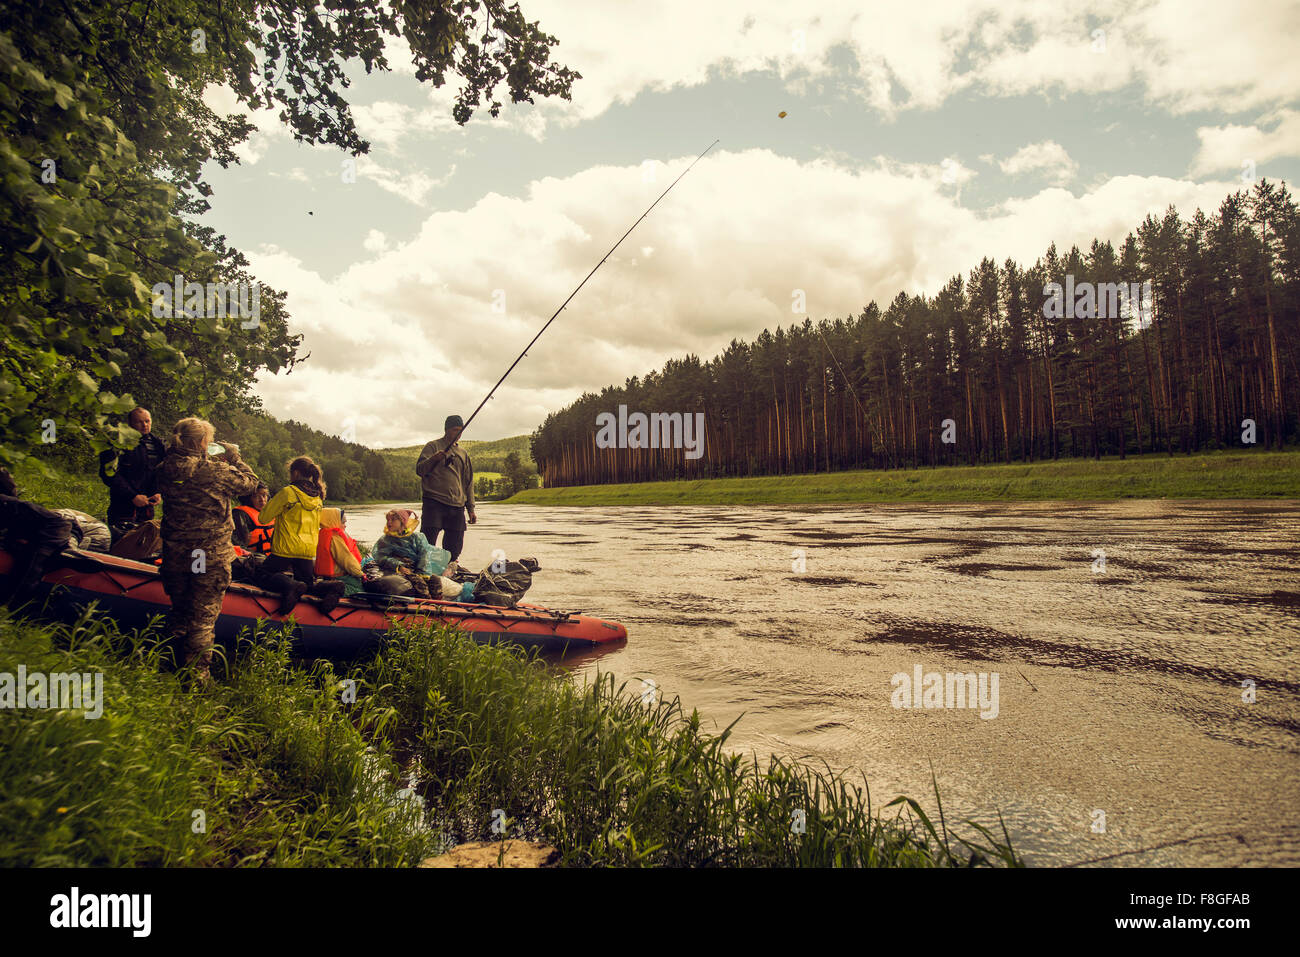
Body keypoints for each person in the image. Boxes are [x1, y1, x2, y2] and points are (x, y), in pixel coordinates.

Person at [156, 418, 260, 683]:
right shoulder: (212, 470)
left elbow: (174, 468)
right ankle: (196, 677)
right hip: (207, 554)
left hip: (175, 552)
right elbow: (250, 484)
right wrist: (234, 457)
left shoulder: (164, 468)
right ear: (200, 442)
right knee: (203, 616)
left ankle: (170, 666)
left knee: (180, 611)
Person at [258, 456, 342, 614]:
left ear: (295, 473)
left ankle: (291, 586)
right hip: (307, 551)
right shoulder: (317, 497)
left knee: (263, 574)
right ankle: (332, 587)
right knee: (308, 586)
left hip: (286, 548)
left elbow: (263, 518)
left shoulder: (287, 492)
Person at [0, 467, 73, 609]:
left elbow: (10, 492)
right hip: (22, 522)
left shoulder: (6, 502)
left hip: (53, 527)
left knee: (31, 563)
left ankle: (15, 606)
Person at [98, 407, 167, 539]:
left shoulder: (158, 444)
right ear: (130, 424)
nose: (144, 425)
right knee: (120, 541)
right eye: (139, 422)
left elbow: (161, 471)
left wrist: (158, 492)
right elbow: (108, 474)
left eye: (147, 421)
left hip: (147, 506)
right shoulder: (117, 443)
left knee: (142, 542)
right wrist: (133, 496)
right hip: (122, 504)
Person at [414, 414, 476, 561]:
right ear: (447, 430)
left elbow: (468, 482)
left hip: (457, 505)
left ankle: (449, 571)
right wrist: (434, 459)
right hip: (434, 502)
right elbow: (420, 470)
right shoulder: (432, 446)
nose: (459, 434)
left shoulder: (463, 453)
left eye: (461, 430)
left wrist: (471, 509)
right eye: (455, 430)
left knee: (454, 548)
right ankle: (425, 572)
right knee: (427, 544)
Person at [232, 483, 274, 554]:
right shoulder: (240, 514)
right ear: (248, 499)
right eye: (255, 496)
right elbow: (237, 544)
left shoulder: (273, 513)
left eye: (264, 495)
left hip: (274, 556)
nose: (262, 500)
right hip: (253, 558)